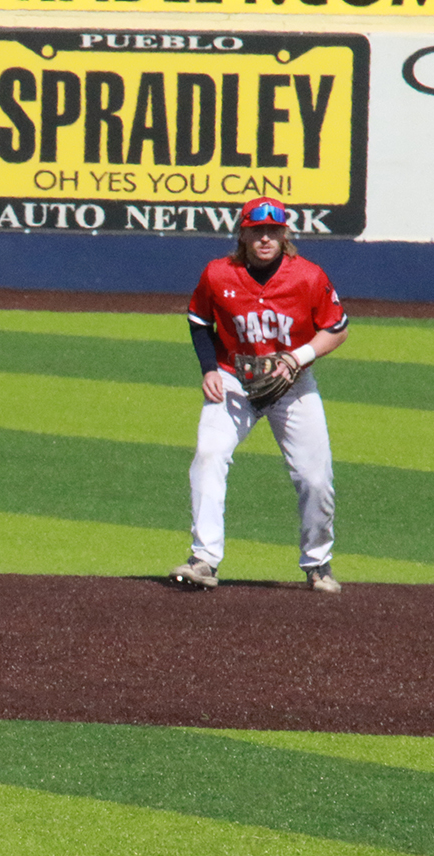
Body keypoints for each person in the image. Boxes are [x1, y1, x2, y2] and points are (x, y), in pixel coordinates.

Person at [171, 197, 350, 594]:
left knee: (314, 477)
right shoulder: (218, 274)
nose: (265, 237)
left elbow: (337, 328)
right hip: (235, 378)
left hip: (292, 383)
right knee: (209, 454)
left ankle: (318, 563)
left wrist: (296, 358)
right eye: (256, 230)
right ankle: (204, 559)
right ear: (244, 234)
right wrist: (209, 368)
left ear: (285, 234)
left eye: (273, 230)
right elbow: (199, 321)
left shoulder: (307, 276)